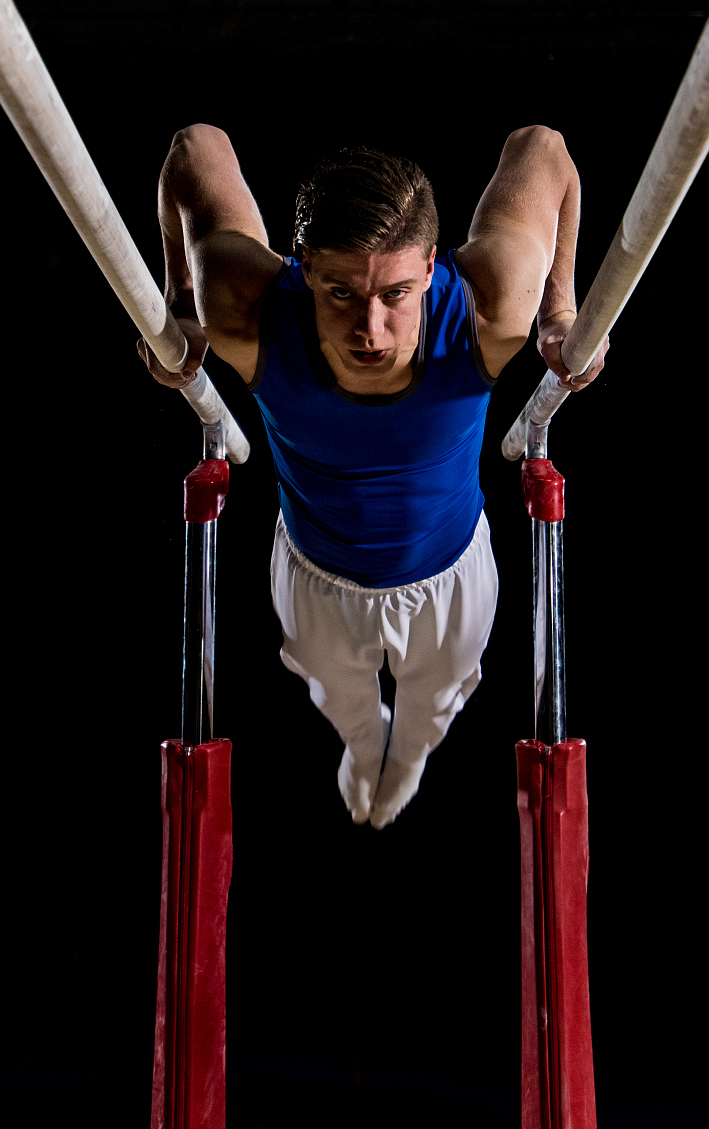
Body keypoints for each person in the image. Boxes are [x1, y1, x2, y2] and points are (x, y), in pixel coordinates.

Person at [139, 125, 605, 828]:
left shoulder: (491, 306)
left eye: (396, 292)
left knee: (433, 708)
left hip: (451, 574)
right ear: (302, 266)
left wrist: (559, 312)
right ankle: (363, 746)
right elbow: (190, 148)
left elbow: (545, 149)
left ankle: (408, 753)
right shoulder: (246, 307)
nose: (372, 328)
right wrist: (178, 304)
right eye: (341, 293)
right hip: (315, 577)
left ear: (430, 266)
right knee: (342, 702)